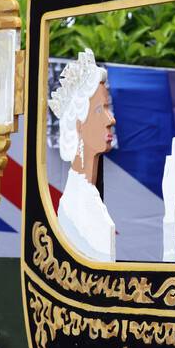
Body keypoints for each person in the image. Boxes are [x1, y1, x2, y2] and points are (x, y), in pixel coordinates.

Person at [48, 49, 118, 262]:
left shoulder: (86, 196)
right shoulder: (76, 204)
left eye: (109, 108)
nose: (111, 119)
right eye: (100, 110)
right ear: (78, 124)